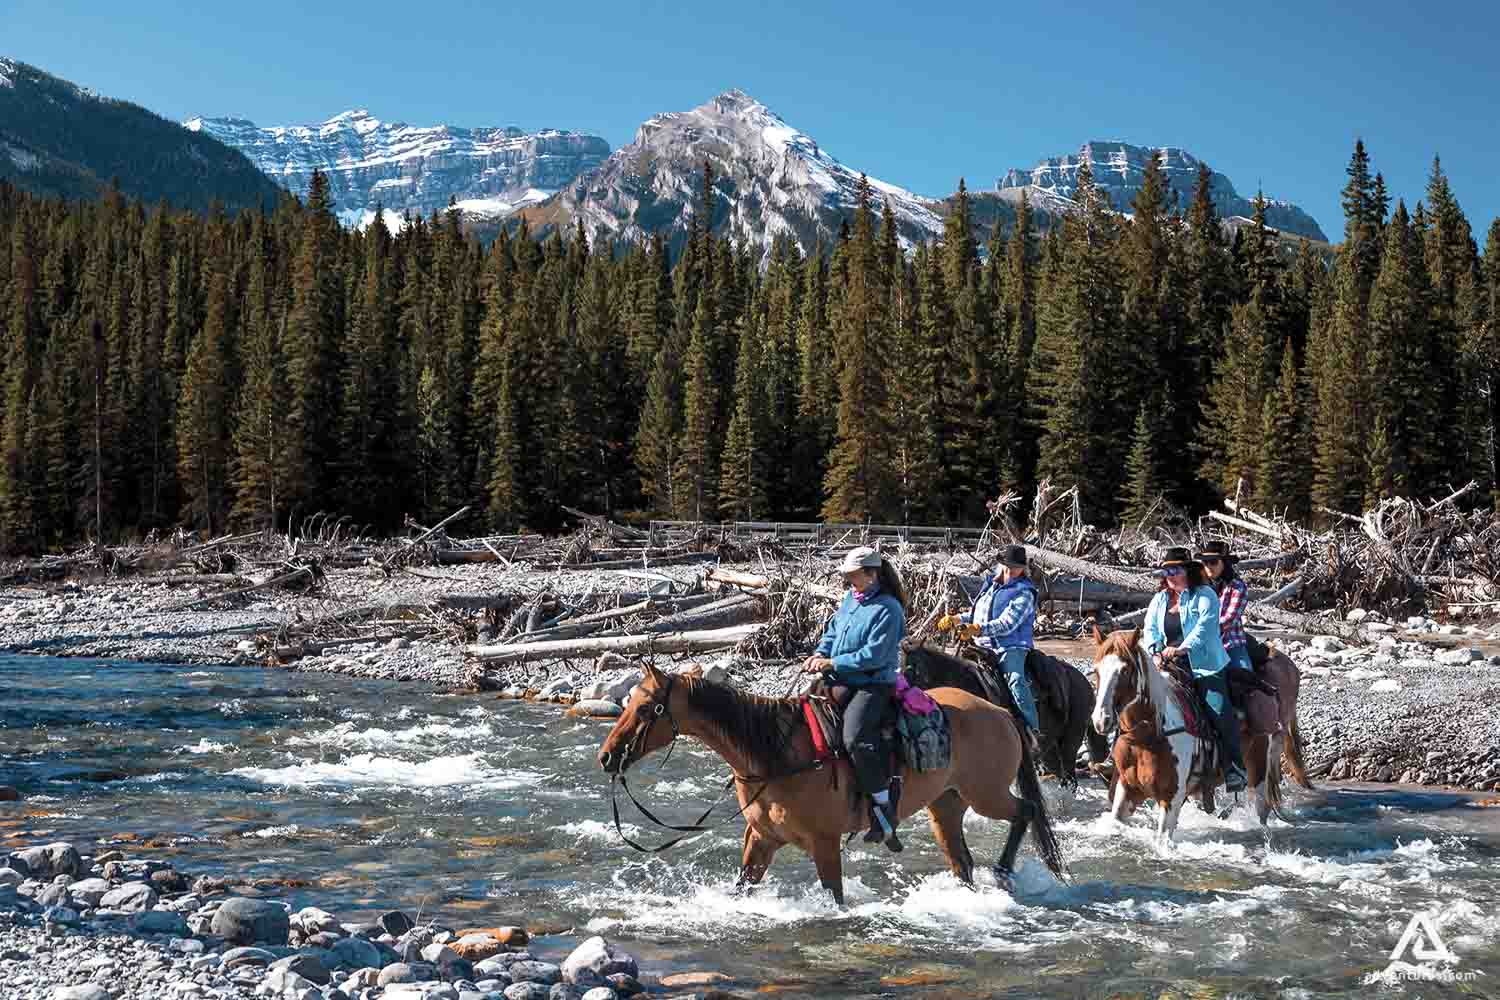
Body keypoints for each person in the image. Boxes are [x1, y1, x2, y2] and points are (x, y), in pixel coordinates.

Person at [802, 545, 909, 850]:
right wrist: (821, 652)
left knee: (854, 737)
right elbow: (833, 632)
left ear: (872, 574)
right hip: (842, 677)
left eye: (853, 575)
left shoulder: (889, 608)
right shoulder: (852, 599)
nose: (848, 581)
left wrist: (833, 663)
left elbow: (874, 655)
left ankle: (883, 804)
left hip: (873, 684)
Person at [1142, 546, 1248, 793]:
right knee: (1135, 698)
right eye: (1167, 570)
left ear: (1188, 570)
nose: (1170, 574)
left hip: (1204, 665)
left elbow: (1205, 628)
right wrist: (1154, 651)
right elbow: (1150, 629)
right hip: (1167, 664)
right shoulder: (1159, 599)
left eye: (1176, 569)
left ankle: (1235, 767)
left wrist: (1181, 648)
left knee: (1218, 708)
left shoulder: (1205, 595)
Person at [938, 544, 1040, 738]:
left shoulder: (1025, 592)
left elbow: (1007, 623)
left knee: (1016, 681)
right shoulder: (991, 586)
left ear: (1022, 568)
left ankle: (1032, 730)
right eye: (1007, 565)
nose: (1010, 570)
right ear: (1001, 564)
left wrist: (978, 629)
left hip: (1010, 647)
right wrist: (957, 619)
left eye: (1015, 567)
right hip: (981, 645)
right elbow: (978, 614)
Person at [1199, 540, 1253, 674]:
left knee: (1245, 680)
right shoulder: (1200, 587)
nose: (1209, 567)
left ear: (1224, 563)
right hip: (1201, 643)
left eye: (1213, 562)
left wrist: (1200, 632)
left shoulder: (1237, 587)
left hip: (1229, 643)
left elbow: (1228, 619)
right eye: (1205, 563)